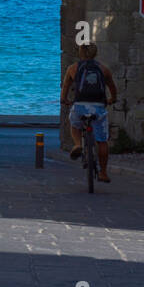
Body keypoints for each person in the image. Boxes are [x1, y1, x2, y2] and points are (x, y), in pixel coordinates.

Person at [60, 43, 118, 182]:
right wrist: (112, 100)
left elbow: (65, 88)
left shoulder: (73, 68)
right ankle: (103, 173)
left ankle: (78, 144)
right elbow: (113, 88)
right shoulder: (104, 69)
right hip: (98, 107)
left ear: (80, 53)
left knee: (74, 124)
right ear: (95, 53)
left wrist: (64, 100)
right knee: (102, 141)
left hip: (80, 106)